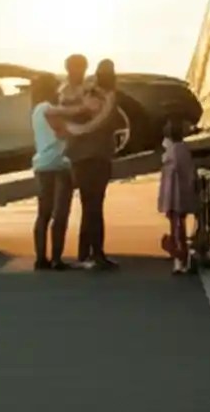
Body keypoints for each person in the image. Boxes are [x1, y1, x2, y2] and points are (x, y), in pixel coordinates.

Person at [65, 59, 121, 271]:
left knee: (88, 206)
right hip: (97, 158)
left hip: (80, 158)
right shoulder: (108, 97)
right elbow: (111, 124)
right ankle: (96, 254)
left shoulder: (86, 93)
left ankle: (85, 252)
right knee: (95, 207)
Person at [30, 73, 81, 271]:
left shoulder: (35, 110)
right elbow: (62, 130)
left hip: (41, 165)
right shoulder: (47, 108)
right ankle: (57, 259)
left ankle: (41, 258)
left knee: (43, 213)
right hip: (58, 164)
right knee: (60, 214)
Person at [158, 118, 198, 274]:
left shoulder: (176, 150)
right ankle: (179, 256)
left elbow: (180, 170)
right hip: (175, 193)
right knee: (176, 224)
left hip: (175, 193)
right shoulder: (178, 148)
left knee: (177, 225)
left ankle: (180, 257)